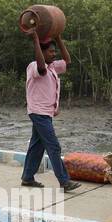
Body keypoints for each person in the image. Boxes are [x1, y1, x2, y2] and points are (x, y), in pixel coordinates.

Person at [21, 34, 80, 192]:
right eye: (51, 52)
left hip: (45, 112)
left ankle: (27, 177)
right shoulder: (34, 66)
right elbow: (41, 68)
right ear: (42, 51)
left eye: (55, 52)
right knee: (53, 146)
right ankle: (64, 181)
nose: (54, 54)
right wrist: (35, 41)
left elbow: (68, 61)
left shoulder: (53, 67)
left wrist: (59, 38)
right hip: (38, 112)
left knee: (37, 146)